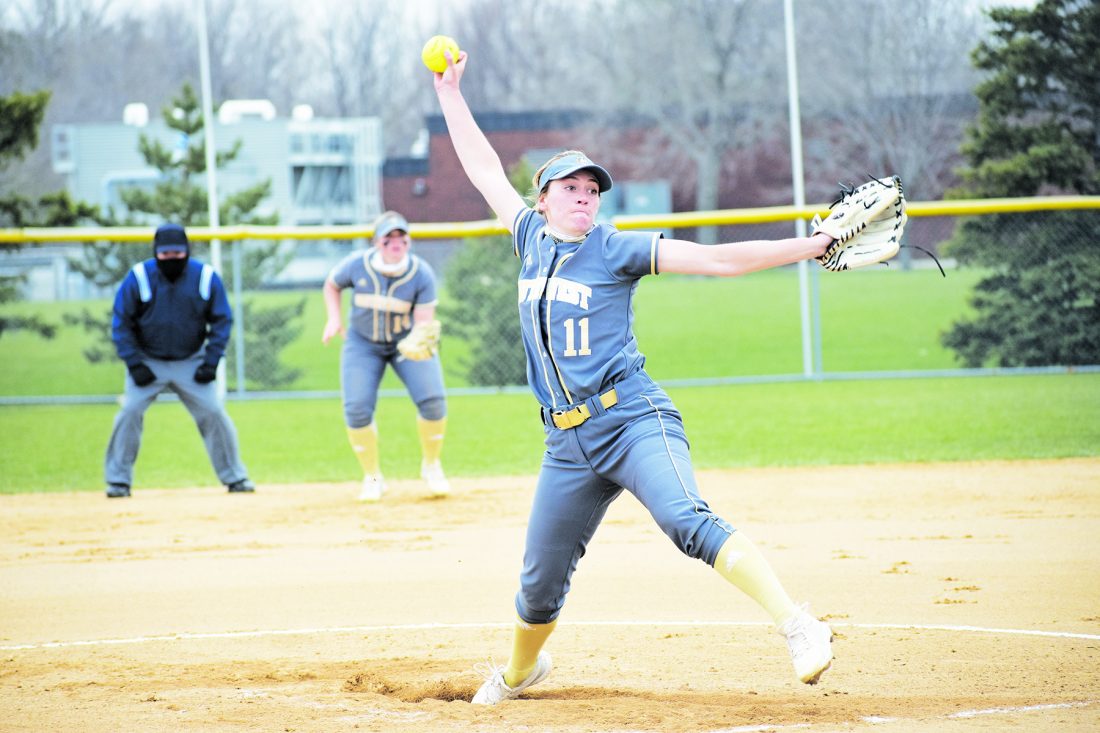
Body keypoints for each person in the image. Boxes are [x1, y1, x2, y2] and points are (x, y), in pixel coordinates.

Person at [431, 51, 836, 704]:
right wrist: (450, 93)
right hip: (566, 444)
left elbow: (716, 260)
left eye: (592, 190)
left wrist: (809, 245)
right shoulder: (529, 235)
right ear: (544, 198)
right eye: (572, 188)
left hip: (632, 417)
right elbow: (480, 166)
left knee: (685, 519)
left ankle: (798, 624)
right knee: (538, 582)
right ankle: (519, 671)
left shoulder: (614, 248)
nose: (586, 197)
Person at [105, 223, 254, 498]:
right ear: (155, 253)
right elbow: (121, 323)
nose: (171, 259)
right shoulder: (139, 277)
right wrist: (134, 363)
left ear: (187, 251)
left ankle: (235, 477)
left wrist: (211, 361)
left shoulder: (205, 277)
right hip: (147, 360)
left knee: (213, 412)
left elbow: (222, 320)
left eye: (177, 253)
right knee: (130, 412)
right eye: (165, 254)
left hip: (192, 360)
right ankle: (118, 481)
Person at [322, 210, 451, 501]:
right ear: (376, 242)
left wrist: (417, 340)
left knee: (433, 401)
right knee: (356, 407)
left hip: (405, 341)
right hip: (362, 342)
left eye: (401, 237)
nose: (396, 243)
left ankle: (431, 465)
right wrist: (333, 318)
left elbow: (424, 320)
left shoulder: (420, 273)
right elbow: (332, 285)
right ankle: (373, 477)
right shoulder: (357, 264)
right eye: (388, 237)